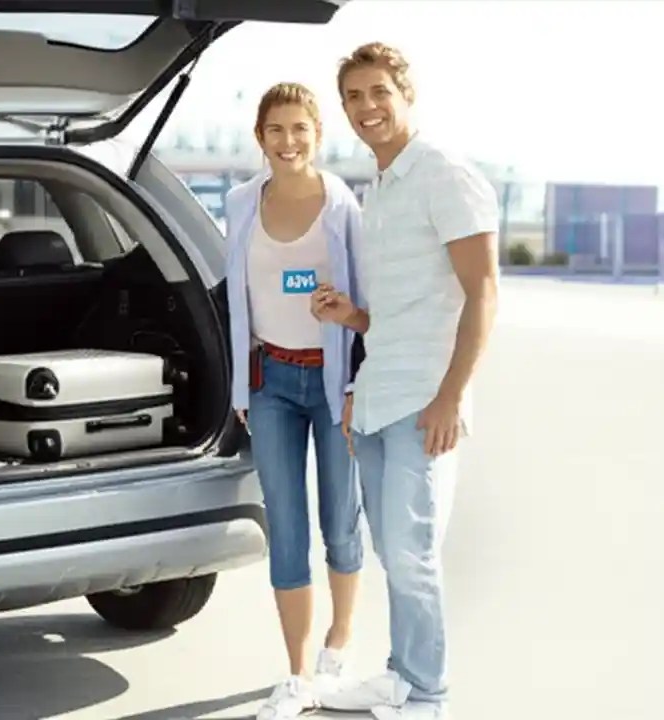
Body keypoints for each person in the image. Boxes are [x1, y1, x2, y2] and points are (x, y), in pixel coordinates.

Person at [311, 42, 501, 719]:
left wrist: (451, 396)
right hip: (379, 395)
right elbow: (399, 308)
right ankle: (400, 675)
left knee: (414, 554)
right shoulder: (380, 187)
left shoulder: (444, 174)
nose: (367, 108)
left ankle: (428, 695)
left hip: (426, 400)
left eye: (378, 92)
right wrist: (354, 323)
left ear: (406, 94)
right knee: (392, 551)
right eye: (354, 98)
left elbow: (483, 293)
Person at [224, 81, 368, 719]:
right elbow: (235, 304)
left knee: (339, 523)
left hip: (333, 386)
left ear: (318, 135)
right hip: (270, 384)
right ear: (260, 138)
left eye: (299, 130)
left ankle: (339, 644)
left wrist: (357, 388)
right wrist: (239, 390)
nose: (288, 142)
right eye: (276, 131)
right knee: (286, 528)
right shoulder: (238, 204)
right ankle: (298, 673)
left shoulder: (345, 209)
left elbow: (370, 304)